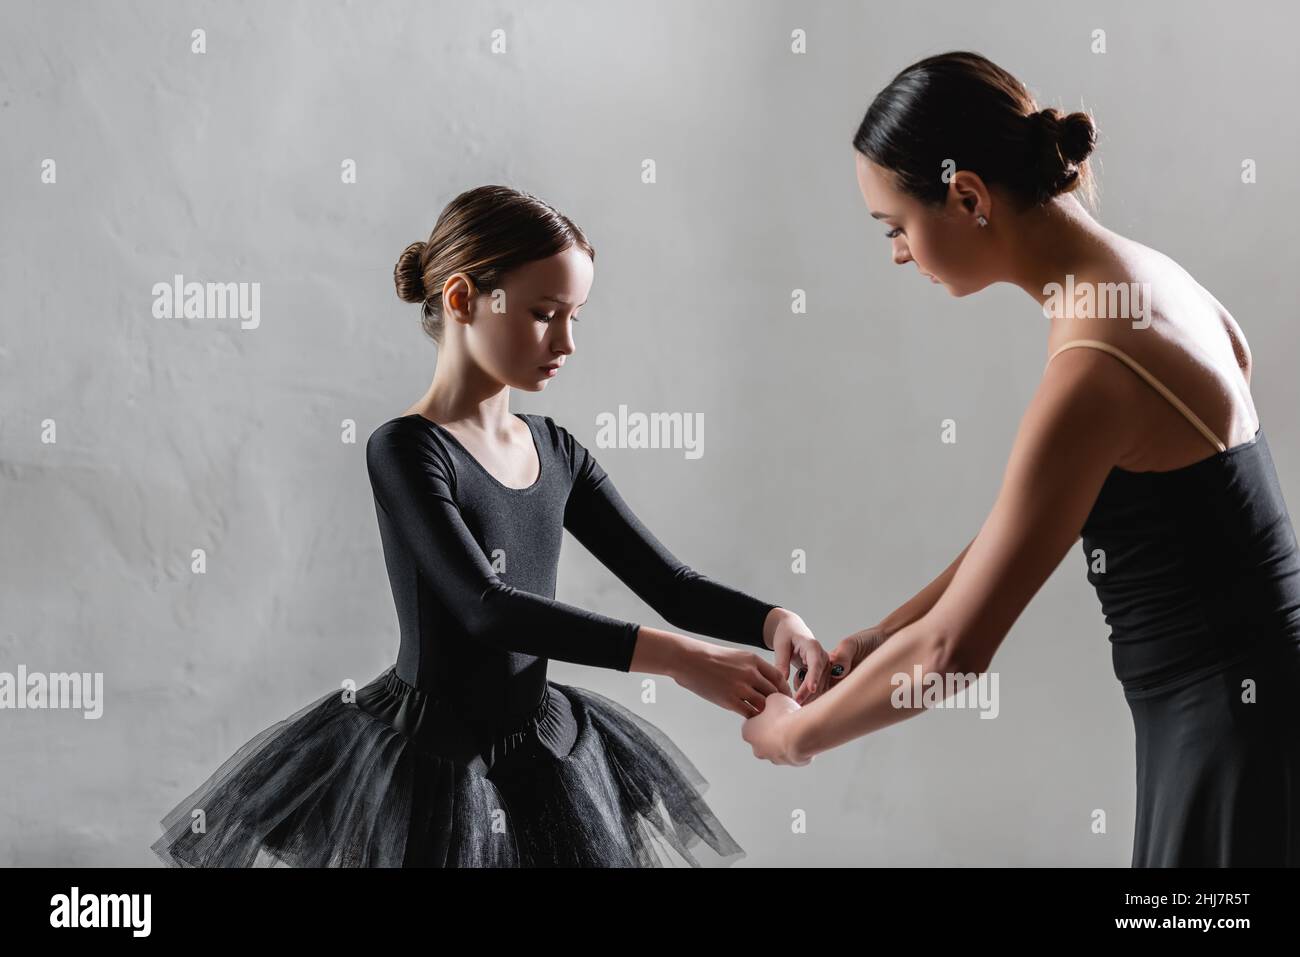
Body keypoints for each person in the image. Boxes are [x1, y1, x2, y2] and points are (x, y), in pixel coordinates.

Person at [151, 184, 829, 867]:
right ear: (461, 298)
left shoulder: (556, 450)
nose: (565, 340)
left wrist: (777, 622)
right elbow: (486, 607)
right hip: (433, 766)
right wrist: (683, 658)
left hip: (544, 750)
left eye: (576, 316)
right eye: (544, 313)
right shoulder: (406, 450)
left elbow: (670, 583)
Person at [744, 51, 1300, 867]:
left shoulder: (1093, 366)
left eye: (896, 227)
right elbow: (1040, 514)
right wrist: (880, 635)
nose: (897, 253)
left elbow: (953, 656)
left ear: (967, 196)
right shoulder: (1148, 281)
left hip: (1225, 735)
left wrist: (795, 737)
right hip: (1244, 712)